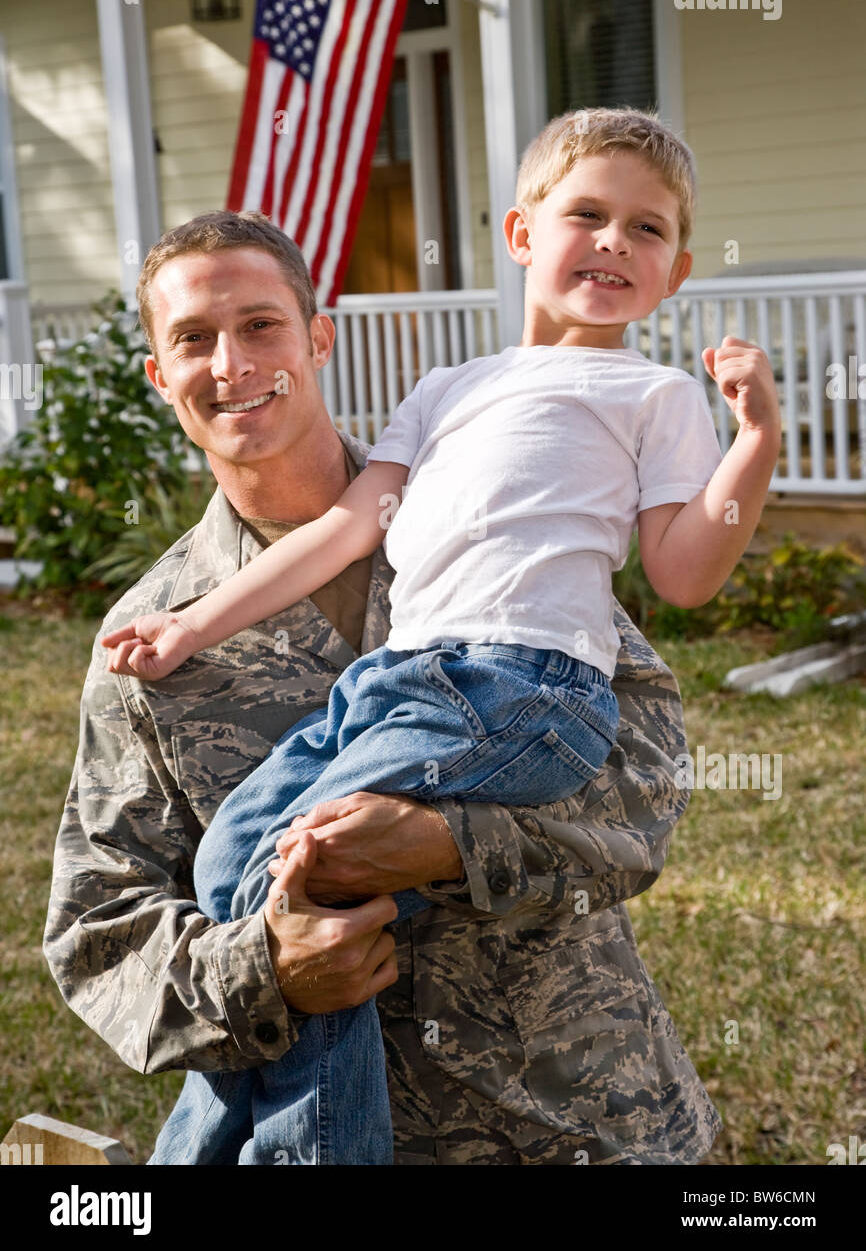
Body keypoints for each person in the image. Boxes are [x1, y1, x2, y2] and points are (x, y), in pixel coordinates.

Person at [99, 107, 780, 1164]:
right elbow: (343, 528)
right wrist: (188, 631)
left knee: (303, 860)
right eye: (193, 336)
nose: (610, 242)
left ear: (318, 337)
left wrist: (754, 442)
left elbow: (646, 765)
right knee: (250, 857)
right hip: (397, 688)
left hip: (562, 1114)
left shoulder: (577, 503)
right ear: (519, 234)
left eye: (262, 325)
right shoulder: (447, 408)